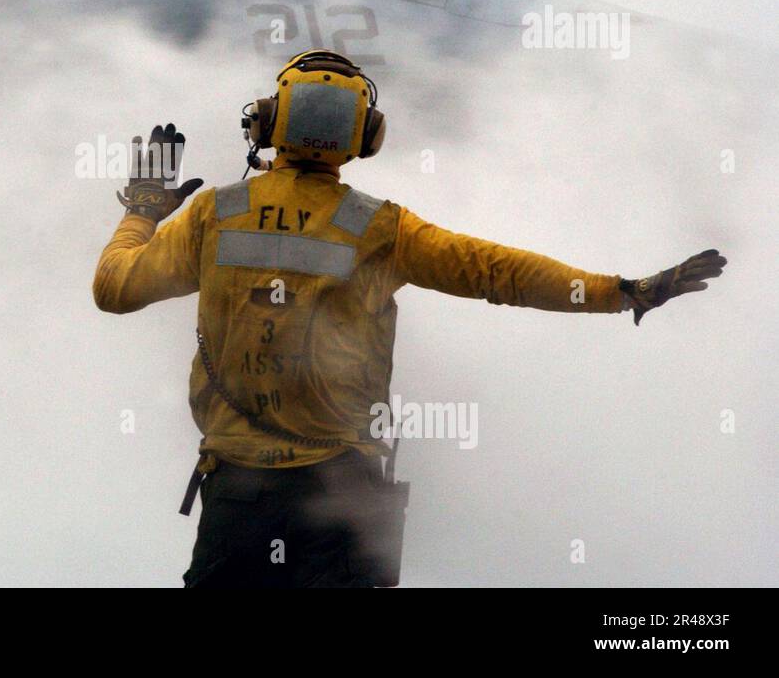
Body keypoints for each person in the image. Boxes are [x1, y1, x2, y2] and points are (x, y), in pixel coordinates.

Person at [92, 48, 727, 587]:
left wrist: (144, 209)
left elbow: (114, 288)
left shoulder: (213, 215)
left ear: (264, 124)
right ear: (366, 136)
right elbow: (497, 271)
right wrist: (622, 291)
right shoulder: (379, 229)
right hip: (341, 500)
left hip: (237, 500)